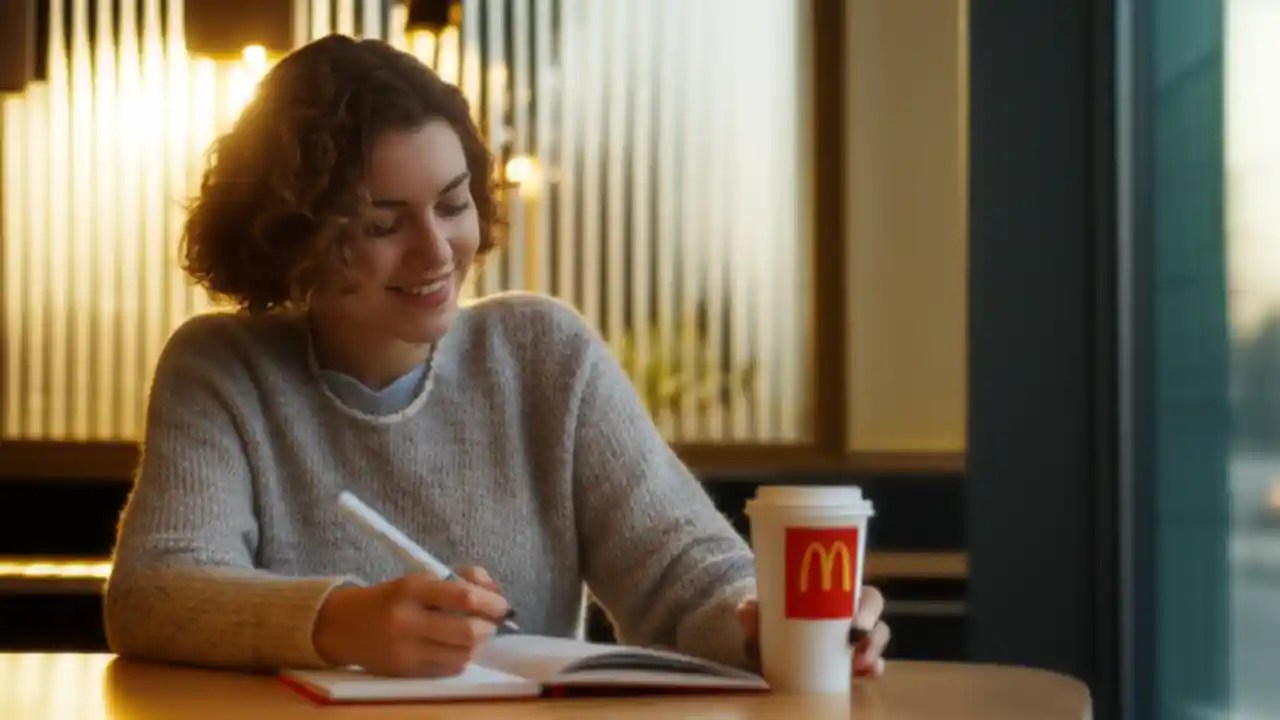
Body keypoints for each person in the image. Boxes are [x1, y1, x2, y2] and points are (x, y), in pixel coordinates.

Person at [103, 34, 891, 681]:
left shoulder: (542, 354)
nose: (436, 251)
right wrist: (342, 622)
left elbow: (683, 568)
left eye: (453, 204)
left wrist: (761, 622)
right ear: (292, 233)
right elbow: (155, 591)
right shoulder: (222, 369)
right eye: (383, 224)